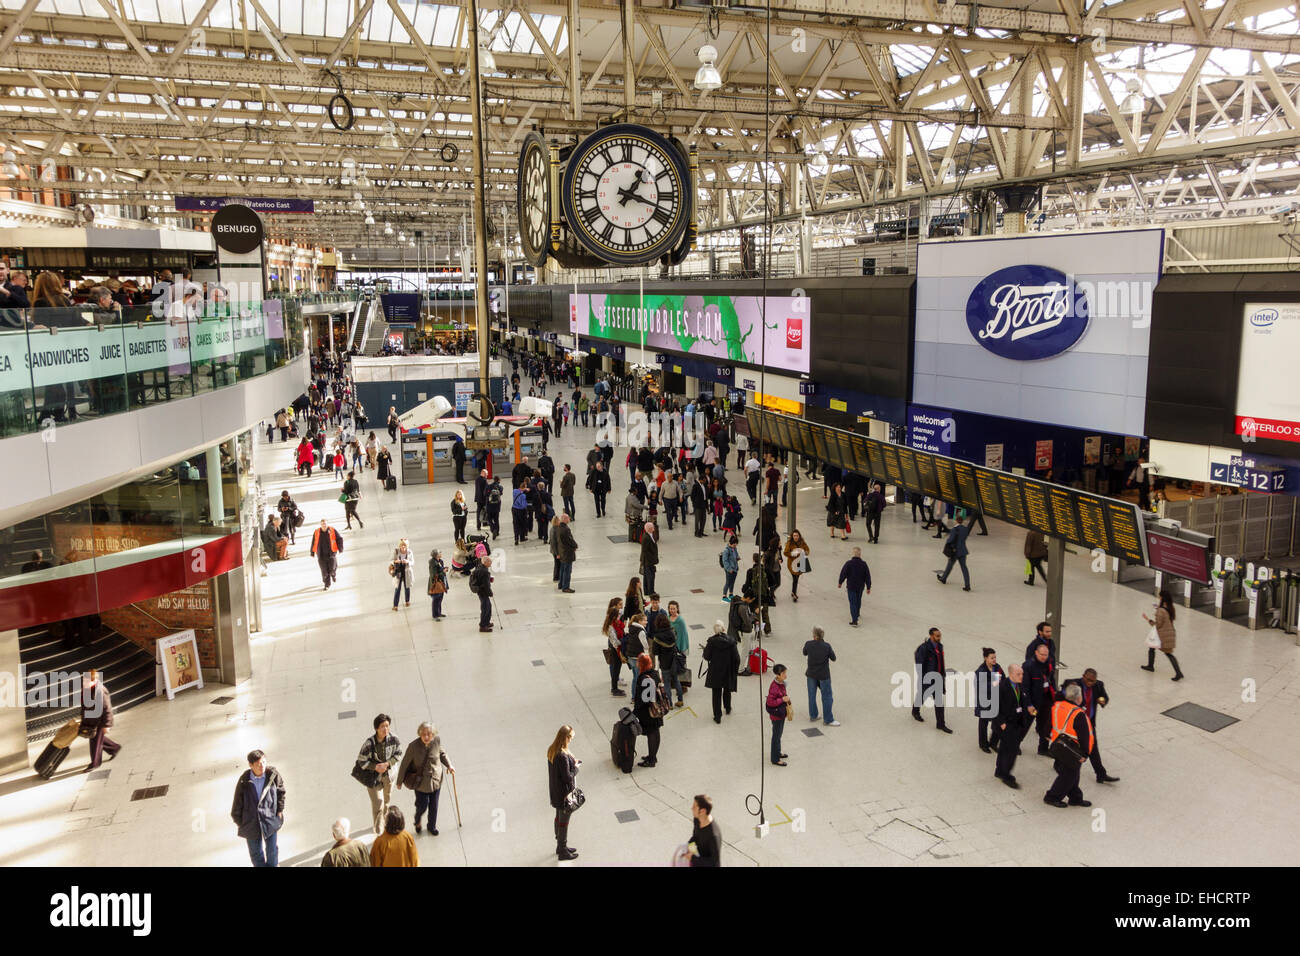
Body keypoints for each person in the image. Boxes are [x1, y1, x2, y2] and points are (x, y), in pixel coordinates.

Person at [395, 721, 455, 835]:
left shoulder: (436, 741)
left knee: (434, 807)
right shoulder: (413, 746)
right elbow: (404, 764)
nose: (426, 737)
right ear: (419, 734)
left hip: (436, 780)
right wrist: (399, 781)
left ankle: (431, 826)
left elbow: (442, 754)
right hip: (421, 783)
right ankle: (417, 821)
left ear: (433, 734)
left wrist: (449, 765)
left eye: (429, 734)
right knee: (421, 806)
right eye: (423, 734)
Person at [1062, 669, 1120, 784]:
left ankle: (1101, 774)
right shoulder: (1073, 683)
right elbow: (1063, 693)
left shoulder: (1098, 685)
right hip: (1075, 722)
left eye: (1093, 681)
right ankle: (1059, 763)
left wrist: (1102, 700)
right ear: (1083, 676)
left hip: (1089, 723)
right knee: (1069, 745)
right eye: (1088, 680)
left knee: (1093, 748)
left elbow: (1104, 697)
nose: (1090, 683)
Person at [230, 749, 285, 867]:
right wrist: (241, 822)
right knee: (255, 853)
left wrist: (279, 811)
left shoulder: (273, 775)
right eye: (258, 764)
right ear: (250, 765)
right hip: (250, 822)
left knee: (272, 851)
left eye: (264, 762)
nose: (262, 766)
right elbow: (237, 803)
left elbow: (281, 792)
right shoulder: (244, 780)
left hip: (269, 819)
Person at [1043, 683, 1094, 809]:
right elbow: (1084, 737)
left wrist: (1045, 734)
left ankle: (1076, 798)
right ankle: (1052, 796)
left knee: (1071, 774)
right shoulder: (1078, 714)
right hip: (1072, 750)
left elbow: (1049, 722)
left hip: (1058, 745)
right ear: (1078, 698)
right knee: (1069, 775)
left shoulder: (1057, 706)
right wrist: (1085, 754)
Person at [355, 714, 403, 836]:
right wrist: (375, 767)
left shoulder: (394, 739)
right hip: (373, 778)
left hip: (389, 776)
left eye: (387, 726)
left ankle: (384, 820)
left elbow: (399, 753)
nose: (385, 729)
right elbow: (361, 760)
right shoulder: (369, 744)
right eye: (382, 726)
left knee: (386, 801)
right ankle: (378, 830)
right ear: (376, 728)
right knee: (378, 804)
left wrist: (388, 764)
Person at [993, 664, 1033, 789]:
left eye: (1022, 674)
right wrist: (1002, 723)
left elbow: (1023, 698)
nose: (1022, 676)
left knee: (1005, 749)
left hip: (1017, 722)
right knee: (1011, 751)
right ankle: (1006, 775)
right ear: (1011, 674)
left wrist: (1029, 706)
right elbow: (994, 707)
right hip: (1007, 725)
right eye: (1018, 674)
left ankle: (1000, 770)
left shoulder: (1019, 685)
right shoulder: (1002, 688)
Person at [547, 725, 581, 860]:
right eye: (571, 737)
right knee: (564, 822)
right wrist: (576, 768)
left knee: (558, 818)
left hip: (556, 792)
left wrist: (572, 763)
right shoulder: (562, 755)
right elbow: (567, 777)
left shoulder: (552, 750)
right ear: (565, 737)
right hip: (564, 794)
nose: (571, 740)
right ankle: (562, 850)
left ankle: (560, 846)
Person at [79, 669, 121, 770]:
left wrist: (107, 725)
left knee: (94, 742)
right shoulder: (87, 689)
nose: (85, 683)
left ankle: (95, 763)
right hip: (91, 720)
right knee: (96, 739)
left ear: (94, 680)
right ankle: (114, 748)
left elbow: (107, 709)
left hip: (99, 721)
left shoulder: (100, 690)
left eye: (88, 681)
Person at [911, 627, 951, 732]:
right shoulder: (924, 648)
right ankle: (915, 711)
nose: (939, 637)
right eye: (937, 636)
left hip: (937, 679)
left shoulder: (940, 646)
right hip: (928, 679)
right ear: (931, 636)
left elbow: (941, 662)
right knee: (922, 697)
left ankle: (941, 724)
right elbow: (919, 664)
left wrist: (943, 674)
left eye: (940, 635)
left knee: (939, 703)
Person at [703, 621, 740, 723]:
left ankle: (717, 716)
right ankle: (727, 708)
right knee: (727, 690)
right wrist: (735, 671)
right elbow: (737, 658)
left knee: (716, 693)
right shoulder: (731, 642)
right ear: (724, 629)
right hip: (728, 670)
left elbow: (706, 656)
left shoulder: (711, 642)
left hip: (715, 671)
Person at [1141, 590, 1184, 680]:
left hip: (1164, 635)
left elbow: (1158, 625)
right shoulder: (1171, 607)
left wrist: (1148, 619)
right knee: (1152, 647)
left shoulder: (1161, 611)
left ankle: (1178, 673)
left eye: (1160, 596)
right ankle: (1150, 665)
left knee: (1168, 653)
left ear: (1162, 598)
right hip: (1170, 633)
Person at [1024, 642, 1057, 756]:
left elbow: (1052, 679)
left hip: (1046, 698)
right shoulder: (1028, 666)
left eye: (1046, 654)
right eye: (1042, 654)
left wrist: (1055, 693)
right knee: (1025, 724)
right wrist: (1028, 704)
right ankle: (1014, 744)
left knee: (1046, 725)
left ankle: (1043, 748)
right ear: (1036, 653)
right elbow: (1025, 687)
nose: (1044, 657)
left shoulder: (1049, 663)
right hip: (1034, 701)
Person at [633, 653, 665, 768]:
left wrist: (636, 711)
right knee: (655, 733)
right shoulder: (655, 674)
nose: (636, 664)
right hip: (657, 709)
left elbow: (644, 698)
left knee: (652, 733)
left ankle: (651, 760)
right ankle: (653, 756)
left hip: (648, 712)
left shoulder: (644, 678)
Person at [803, 626, 838, 726]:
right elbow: (833, 658)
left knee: (811, 695)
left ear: (814, 635)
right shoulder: (826, 646)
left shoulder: (808, 644)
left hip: (811, 674)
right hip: (823, 675)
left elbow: (804, 652)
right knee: (827, 696)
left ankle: (813, 715)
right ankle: (828, 719)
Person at [974, 648, 1005, 753]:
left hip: (996, 699)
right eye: (992, 658)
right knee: (984, 722)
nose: (994, 660)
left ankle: (993, 742)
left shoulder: (997, 667)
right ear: (985, 658)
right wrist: (993, 684)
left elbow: (1003, 678)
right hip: (985, 700)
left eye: (995, 657)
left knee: (997, 721)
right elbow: (980, 687)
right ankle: (983, 744)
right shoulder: (981, 671)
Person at [936, 514, 975, 591]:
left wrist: (947, 542)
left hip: (955, 551)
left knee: (949, 565)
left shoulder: (954, 529)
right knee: (964, 568)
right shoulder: (965, 529)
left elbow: (950, 540)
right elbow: (964, 538)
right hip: (963, 551)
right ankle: (967, 585)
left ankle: (943, 579)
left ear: (956, 520)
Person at [837, 547, 872, 627]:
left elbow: (843, 573)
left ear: (852, 554)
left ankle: (854, 621)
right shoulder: (864, 564)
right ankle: (857, 613)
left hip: (851, 586)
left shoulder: (848, 563)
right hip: (860, 587)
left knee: (853, 602)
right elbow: (867, 576)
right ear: (860, 554)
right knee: (858, 600)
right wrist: (868, 587)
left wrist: (840, 582)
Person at [766, 664, 792, 765]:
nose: (786, 675)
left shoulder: (781, 683)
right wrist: (782, 699)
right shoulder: (774, 687)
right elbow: (770, 702)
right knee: (776, 736)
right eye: (784, 673)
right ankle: (775, 759)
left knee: (779, 734)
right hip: (776, 715)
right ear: (778, 675)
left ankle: (778, 752)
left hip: (781, 714)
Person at [688, 794, 721, 867]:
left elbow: (714, 863)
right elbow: (695, 836)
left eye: (694, 807)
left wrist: (693, 858)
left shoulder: (714, 835)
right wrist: (690, 844)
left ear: (702, 811)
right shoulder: (697, 819)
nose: (691, 808)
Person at [603, 598, 628, 697]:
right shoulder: (610, 627)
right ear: (614, 616)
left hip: (618, 649)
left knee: (618, 668)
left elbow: (622, 614)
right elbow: (615, 642)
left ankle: (615, 687)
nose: (619, 616)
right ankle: (614, 689)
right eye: (617, 615)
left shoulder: (616, 622)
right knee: (615, 668)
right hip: (615, 650)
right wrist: (623, 641)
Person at [783, 529, 811, 602]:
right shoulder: (789, 543)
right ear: (792, 536)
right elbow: (785, 552)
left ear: (799, 536)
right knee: (795, 578)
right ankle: (794, 594)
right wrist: (792, 554)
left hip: (800, 562)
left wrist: (805, 552)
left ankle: (793, 592)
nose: (796, 537)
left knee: (796, 578)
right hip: (792, 564)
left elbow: (807, 549)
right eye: (794, 536)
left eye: (797, 535)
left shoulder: (802, 542)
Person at [470, 556, 494, 632]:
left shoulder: (480, 568)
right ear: (485, 562)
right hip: (483, 592)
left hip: (479, 590)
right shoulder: (485, 572)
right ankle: (483, 626)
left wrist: (488, 579)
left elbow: (481, 579)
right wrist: (490, 593)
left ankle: (486, 622)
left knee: (488, 606)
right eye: (490, 562)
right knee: (485, 608)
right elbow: (486, 585)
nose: (491, 563)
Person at [555, 513, 578, 593]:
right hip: (567, 553)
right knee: (567, 571)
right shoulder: (566, 529)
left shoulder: (558, 528)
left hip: (562, 552)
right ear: (564, 519)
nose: (569, 519)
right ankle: (566, 587)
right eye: (568, 518)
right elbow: (570, 540)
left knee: (562, 569)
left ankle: (561, 584)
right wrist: (575, 546)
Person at [428, 549, 449, 620]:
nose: (441, 553)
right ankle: (435, 615)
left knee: (440, 598)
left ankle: (439, 612)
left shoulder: (440, 561)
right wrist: (443, 571)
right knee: (436, 599)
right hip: (435, 583)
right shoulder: (432, 563)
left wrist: (443, 569)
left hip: (441, 582)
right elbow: (434, 575)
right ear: (436, 555)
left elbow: (440, 569)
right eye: (440, 552)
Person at [640, 522, 659, 594]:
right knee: (650, 577)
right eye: (652, 527)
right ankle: (651, 591)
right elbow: (644, 551)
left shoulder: (650, 535)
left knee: (647, 576)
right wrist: (651, 559)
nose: (654, 529)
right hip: (648, 561)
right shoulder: (646, 537)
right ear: (649, 529)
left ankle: (647, 591)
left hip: (649, 560)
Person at [720, 534, 740, 602]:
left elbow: (736, 555)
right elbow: (725, 561)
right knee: (728, 582)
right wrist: (729, 569)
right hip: (729, 569)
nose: (735, 546)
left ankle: (731, 594)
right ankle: (724, 596)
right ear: (731, 543)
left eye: (736, 545)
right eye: (734, 545)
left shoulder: (734, 548)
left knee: (732, 582)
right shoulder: (726, 550)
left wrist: (737, 557)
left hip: (735, 568)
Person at [485, 475, 503, 539]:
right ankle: (497, 532)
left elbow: (485, 494)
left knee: (489, 519)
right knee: (496, 519)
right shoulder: (500, 487)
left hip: (489, 506)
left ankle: (493, 529)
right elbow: (500, 494)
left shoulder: (489, 486)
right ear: (499, 480)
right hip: (497, 506)